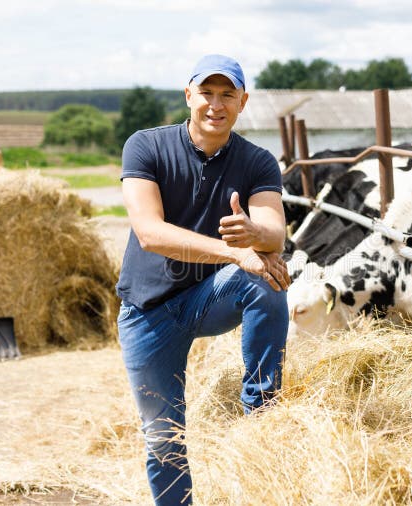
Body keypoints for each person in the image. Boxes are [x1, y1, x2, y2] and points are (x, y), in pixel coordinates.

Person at [116, 54, 291, 505]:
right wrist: (236, 251)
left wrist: (257, 236)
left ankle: (261, 409)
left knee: (266, 275)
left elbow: (275, 231)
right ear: (188, 95)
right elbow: (150, 233)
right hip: (147, 312)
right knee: (163, 438)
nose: (216, 104)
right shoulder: (145, 146)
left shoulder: (256, 161)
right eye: (207, 93)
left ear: (242, 101)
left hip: (207, 298)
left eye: (227, 95)